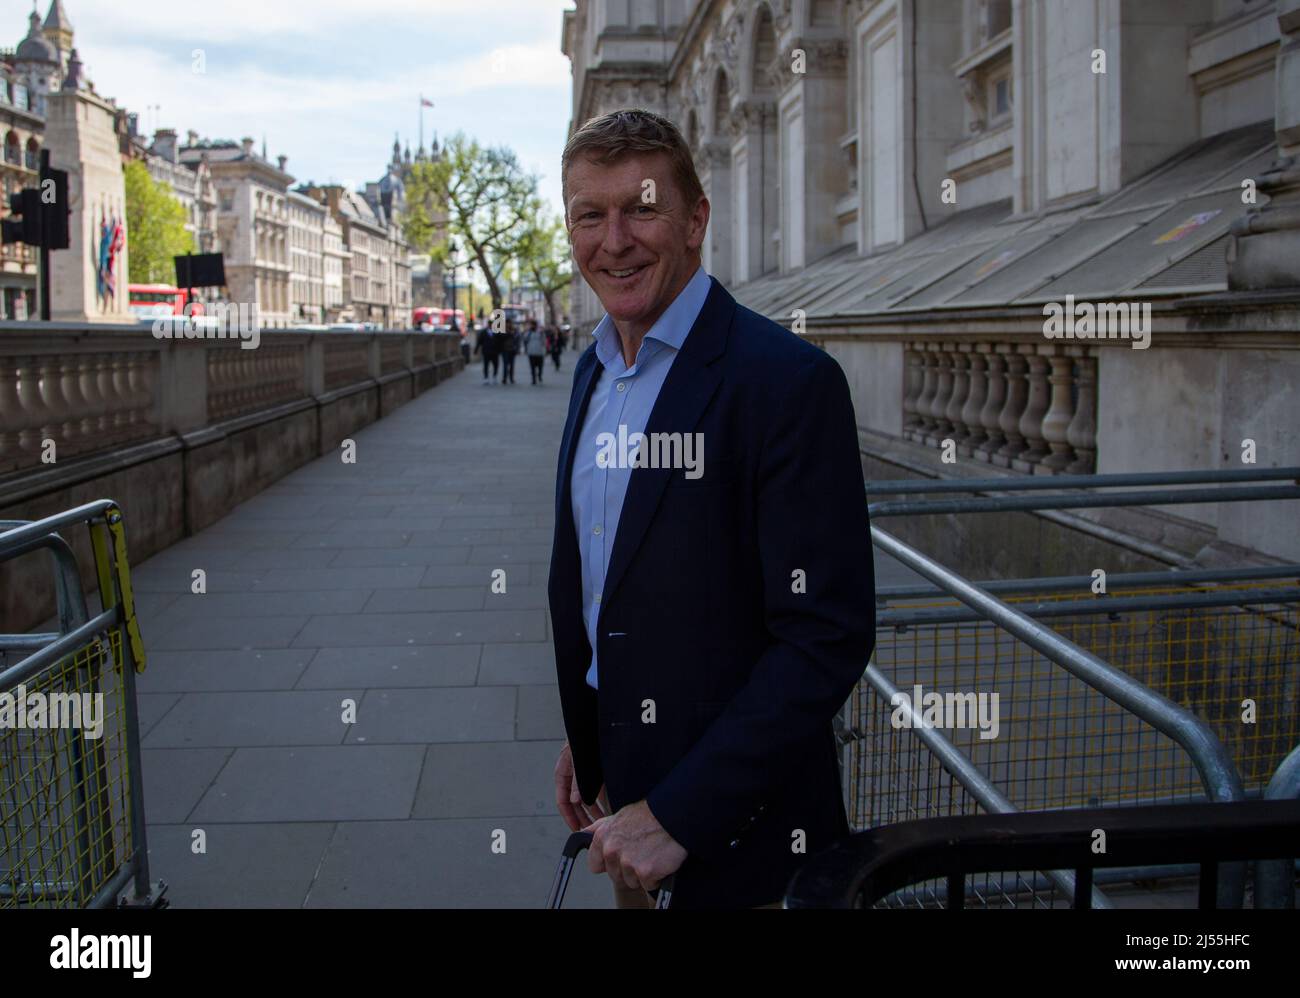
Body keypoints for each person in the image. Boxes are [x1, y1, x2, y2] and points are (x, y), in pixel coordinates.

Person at [548, 108, 874, 910]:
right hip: (624, 805)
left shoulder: (787, 382)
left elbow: (824, 636)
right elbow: (611, 578)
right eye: (590, 215)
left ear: (696, 219)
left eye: (643, 208)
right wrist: (593, 726)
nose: (614, 240)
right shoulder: (593, 372)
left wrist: (679, 815)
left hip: (747, 837)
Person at [523, 318, 548, 385]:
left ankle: (539, 375)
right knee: (532, 367)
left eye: (533, 325)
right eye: (531, 325)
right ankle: (534, 379)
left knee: (540, 366)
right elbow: (525, 340)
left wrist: (545, 349)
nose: (532, 326)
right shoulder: (528, 332)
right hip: (531, 352)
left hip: (539, 352)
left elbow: (544, 341)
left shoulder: (540, 332)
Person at [499, 319, 519, 384]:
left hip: (512, 350)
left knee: (512, 365)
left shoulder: (514, 330)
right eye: (507, 323)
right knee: (505, 365)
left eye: (509, 323)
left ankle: (511, 378)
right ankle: (504, 378)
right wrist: (509, 333)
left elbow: (517, 338)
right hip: (505, 350)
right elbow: (501, 338)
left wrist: (516, 348)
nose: (508, 324)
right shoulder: (502, 330)